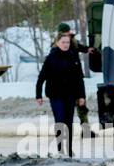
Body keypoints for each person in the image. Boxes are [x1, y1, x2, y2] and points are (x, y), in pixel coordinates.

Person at [35, 28, 87, 156]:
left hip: (70, 94)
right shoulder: (51, 58)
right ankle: (60, 148)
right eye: (63, 42)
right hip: (55, 94)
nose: (65, 45)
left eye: (68, 42)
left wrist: (81, 96)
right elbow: (41, 77)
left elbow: (79, 78)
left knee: (69, 122)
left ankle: (69, 149)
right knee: (60, 120)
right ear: (57, 43)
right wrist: (38, 95)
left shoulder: (73, 57)